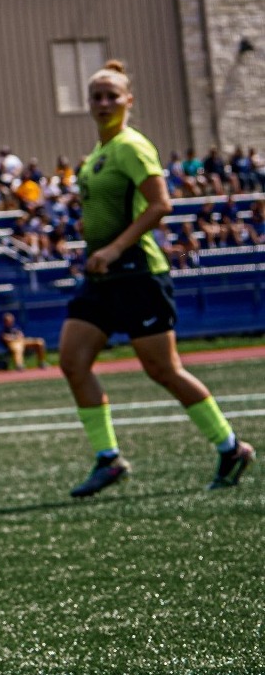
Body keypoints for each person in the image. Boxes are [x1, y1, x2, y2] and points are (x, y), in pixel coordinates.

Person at [60, 60, 254, 497]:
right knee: (72, 361)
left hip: (138, 273)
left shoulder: (131, 146)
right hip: (102, 278)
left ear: (129, 100)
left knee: (163, 369)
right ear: (88, 105)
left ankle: (230, 447)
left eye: (113, 95)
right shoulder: (95, 157)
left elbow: (160, 205)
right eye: (97, 96)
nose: (105, 103)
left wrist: (113, 248)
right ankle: (108, 459)